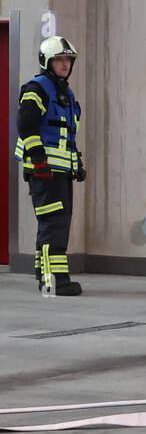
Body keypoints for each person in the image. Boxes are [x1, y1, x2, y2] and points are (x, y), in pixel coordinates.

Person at [14, 36, 85, 295]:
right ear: (47, 62)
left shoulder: (66, 92)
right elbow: (26, 125)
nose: (65, 65)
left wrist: (76, 163)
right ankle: (54, 281)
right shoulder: (37, 88)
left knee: (58, 223)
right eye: (59, 60)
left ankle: (47, 276)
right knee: (53, 223)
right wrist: (39, 160)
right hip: (43, 172)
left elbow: (66, 135)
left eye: (68, 60)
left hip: (60, 173)